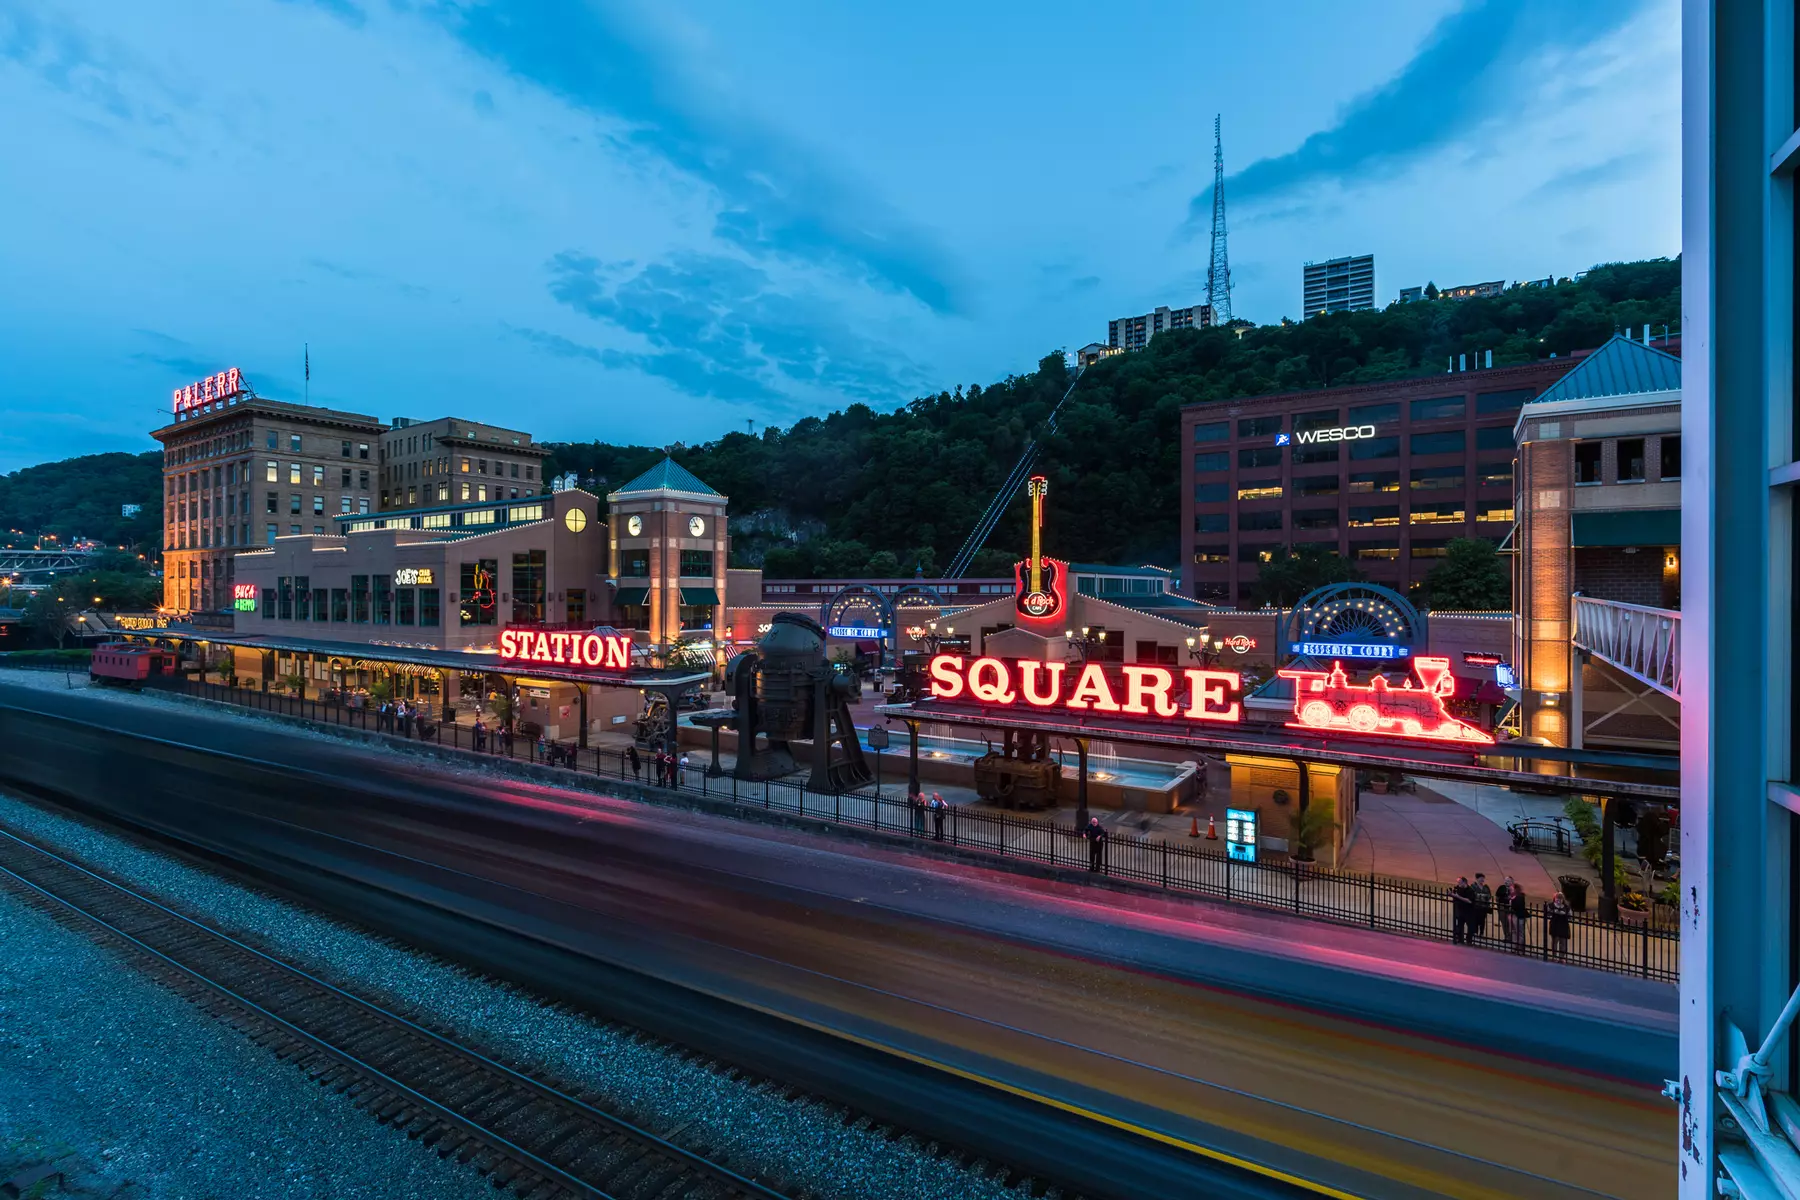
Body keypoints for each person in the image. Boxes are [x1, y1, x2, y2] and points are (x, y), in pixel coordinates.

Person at [1546, 891, 1572, 960]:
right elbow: (1547, 913)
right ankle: (1554, 956)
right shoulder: (1551, 905)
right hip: (1555, 925)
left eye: (1560, 899)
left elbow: (1570, 916)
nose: (1558, 900)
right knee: (1555, 941)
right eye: (1557, 898)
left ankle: (1561, 957)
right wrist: (1552, 912)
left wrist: (1565, 915)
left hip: (1563, 926)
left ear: (1563, 900)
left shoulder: (1566, 907)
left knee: (1563, 942)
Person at [1449, 875, 1475, 945]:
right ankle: (1460, 940)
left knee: (1470, 927)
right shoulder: (1459, 889)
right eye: (1458, 882)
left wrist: (1458, 896)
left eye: (1460, 882)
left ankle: (1469, 941)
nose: (1458, 884)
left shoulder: (1470, 890)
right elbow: (1456, 898)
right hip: (1460, 911)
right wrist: (1452, 895)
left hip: (1468, 911)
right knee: (1459, 926)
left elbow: (1469, 901)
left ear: (1465, 882)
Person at [1470, 872, 1493, 942]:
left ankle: (1481, 933)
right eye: (1481, 878)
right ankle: (1475, 932)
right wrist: (1482, 896)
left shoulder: (1486, 887)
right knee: (1475, 919)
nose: (1482, 880)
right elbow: (1473, 895)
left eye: (1483, 878)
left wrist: (1483, 897)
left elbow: (1489, 896)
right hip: (1476, 906)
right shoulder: (1473, 886)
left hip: (1483, 906)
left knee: (1482, 920)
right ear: (1477, 879)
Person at [1495, 876, 1516, 945]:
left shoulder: (1514, 889)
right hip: (1502, 908)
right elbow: (1497, 897)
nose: (1506, 882)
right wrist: (1498, 905)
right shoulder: (1501, 888)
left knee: (1512, 924)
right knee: (1504, 923)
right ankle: (1507, 936)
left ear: (1512, 882)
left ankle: (1513, 938)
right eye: (1505, 880)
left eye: (1508, 880)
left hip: (1511, 909)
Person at [1508, 882, 1528, 952]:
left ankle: (1520, 948)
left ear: (1516, 889)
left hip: (1518, 916)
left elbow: (1517, 906)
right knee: (1513, 931)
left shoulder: (1520, 897)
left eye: (1512, 888)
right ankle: (1514, 946)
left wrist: (1512, 900)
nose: (1510, 889)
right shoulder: (1511, 896)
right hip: (1512, 915)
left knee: (1519, 932)